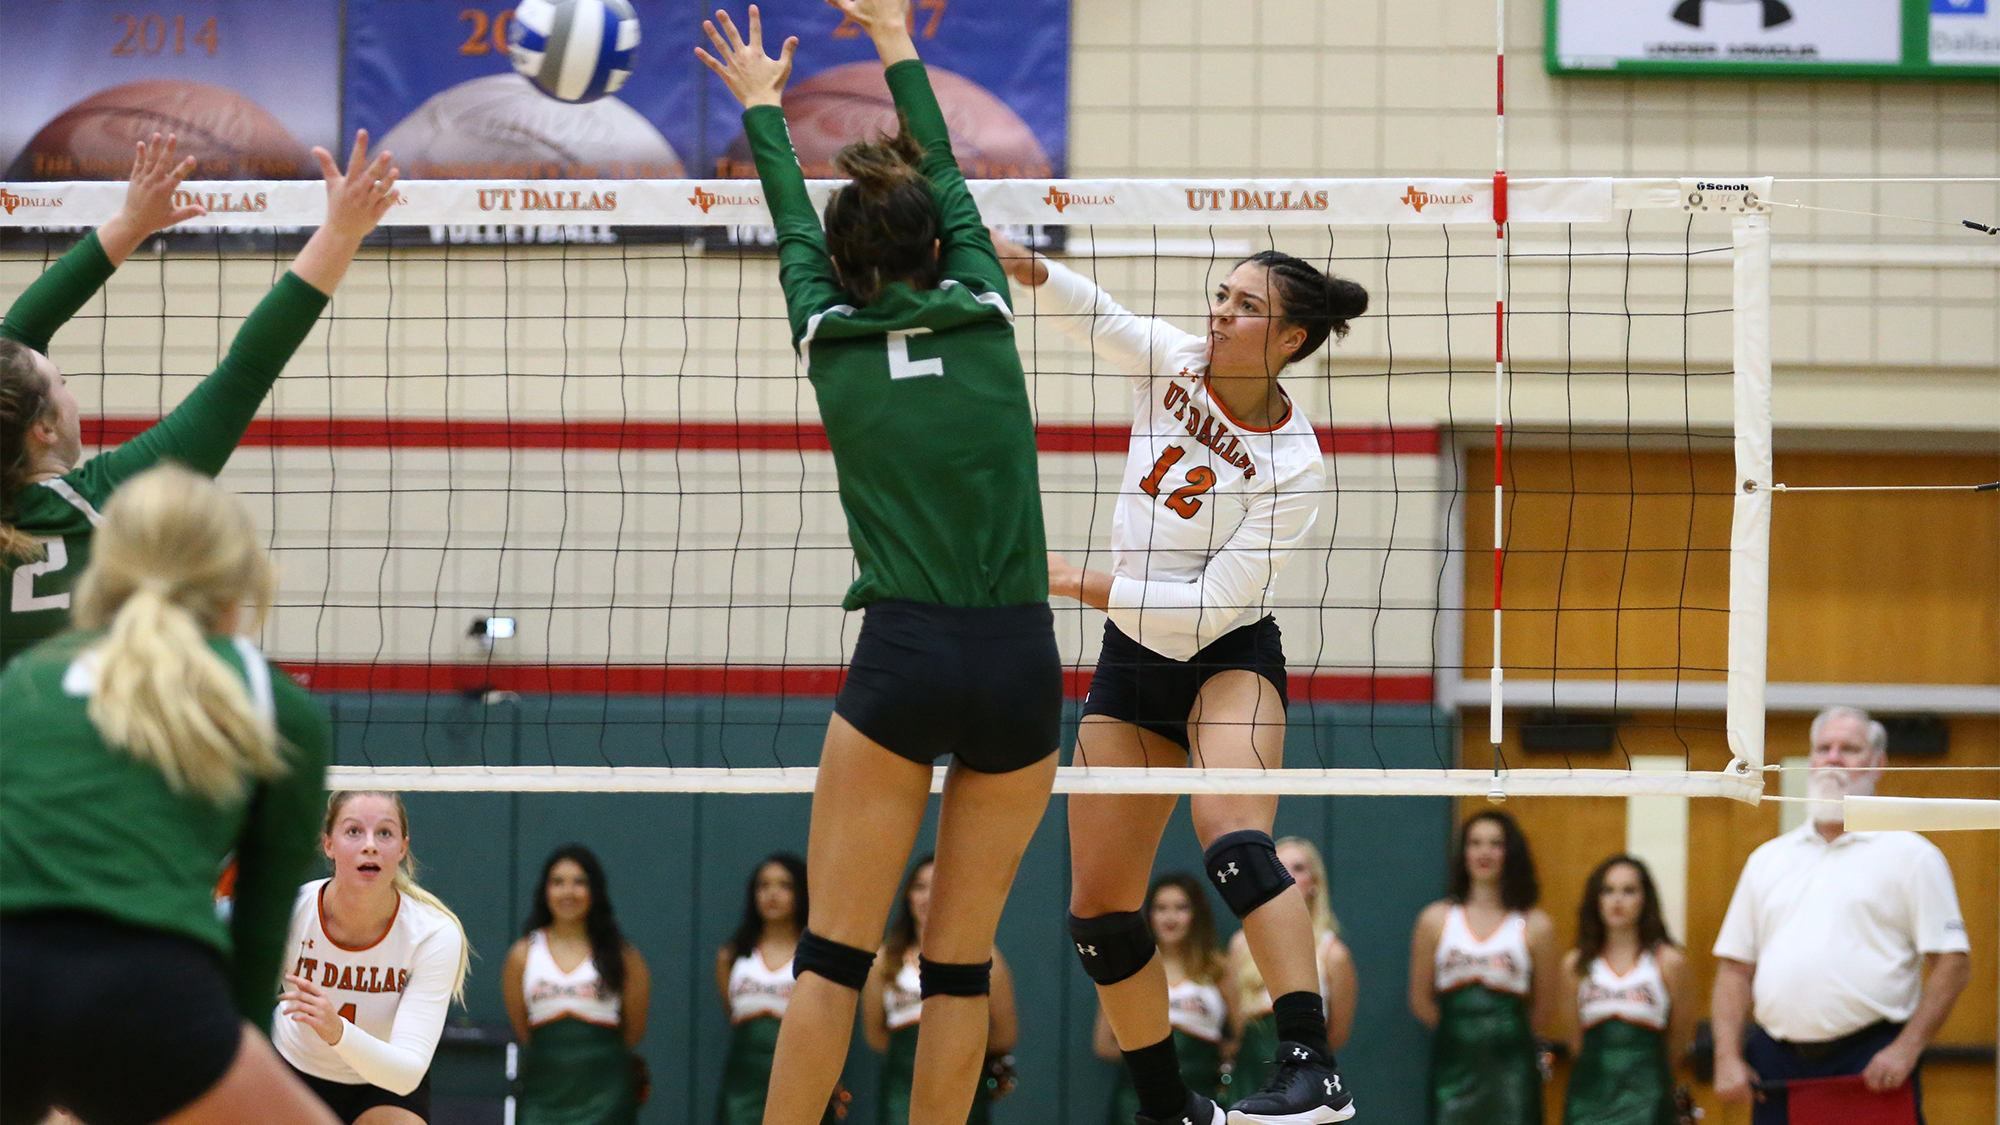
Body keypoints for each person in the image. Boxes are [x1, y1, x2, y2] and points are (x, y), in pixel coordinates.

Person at [696, 4, 1061, 1123]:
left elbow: (791, 222)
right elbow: (944, 165)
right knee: (957, 962)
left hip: (903, 653)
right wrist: (896, 37)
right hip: (1016, 661)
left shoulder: (826, 336)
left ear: (846, 262)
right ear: (936, 243)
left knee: (834, 956)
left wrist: (761, 106)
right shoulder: (988, 312)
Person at [990, 221, 1367, 1125]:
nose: (1221, 312)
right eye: (1223, 294)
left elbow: (1205, 609)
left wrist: (1076, 579)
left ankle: (1311, 1069)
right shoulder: (1176, 360)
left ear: (1291, 340)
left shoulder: (1295, 466)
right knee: (1098, 912)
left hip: (1226, 655)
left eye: (1246, 306)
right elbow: (1099, 316)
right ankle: (1169, 1107)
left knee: (1235, 840)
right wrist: (1030, 266)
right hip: (1130, 663)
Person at [0, 464, 337, 1125]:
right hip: (149, 992)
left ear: (104, 566)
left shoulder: (23, 679)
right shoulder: (275, 705)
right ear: (238, 576)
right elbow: (259, 934)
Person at [1, 130, 398, 667]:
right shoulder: (106, 503)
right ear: (43, 428)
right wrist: (342, 231)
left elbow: (17, 339)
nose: (73, 397)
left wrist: (131, 224)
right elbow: (247, 370)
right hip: (107, 743)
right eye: (63, 385)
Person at [1710, 706, 1970, 1125]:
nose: (1832, 758)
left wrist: (1907, 1048)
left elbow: (1953, 964)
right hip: (1775, 1063)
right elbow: (1734, 970)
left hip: (1869, 1062)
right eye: (1823, 748)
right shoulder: (1768, 859)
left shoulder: (1911, 854)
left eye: (1849, 749)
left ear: (1878, 764)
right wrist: (1727, 1057)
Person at [274, 791, 471, 1124]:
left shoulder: (433, 932)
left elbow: (406, 1074)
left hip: (383, 1077)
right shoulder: (290, 912)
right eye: (353, 831)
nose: (370, 845)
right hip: (295, 1068)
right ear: (328, 844)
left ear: (402, 848)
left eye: (384, 832)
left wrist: (336, 1030)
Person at [1408, 809, 1559, 1125]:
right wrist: (1461, 1032)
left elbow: (1545, 1008)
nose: (1484, 852)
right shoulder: (1435, 919)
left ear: (1510, 852)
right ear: (1463, 852)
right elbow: (1419, 1000)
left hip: (1512, 1069)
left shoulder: (1535, 925)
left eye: (1495, 844)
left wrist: (1504, 1033)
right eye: (1475, 843)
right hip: (1453, 1065)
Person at [864, 856, 1019, 1125]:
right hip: (901, 1092)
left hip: (962, 1089)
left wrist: (958, 1053)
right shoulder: (883, 960)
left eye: (937, 886)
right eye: (919, 887)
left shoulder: (984, 955)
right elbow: (876, 1036)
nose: (927, 897)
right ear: (907, 896)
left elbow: (1005, 1034)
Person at [503, 845, 652, 1125]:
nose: (567, 892)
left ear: (594, 890)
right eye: (558, 882)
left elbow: (634, 1032)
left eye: (579, 882)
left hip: (608, 1097)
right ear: (545, 890)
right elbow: (523, 1030)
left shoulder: (624, 955)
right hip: (542, 1095)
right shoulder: (522, 954)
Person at [715, 853, 846, 1125]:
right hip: (742, 1083)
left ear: (801, 892)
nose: (772, 894)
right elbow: (732, 1012)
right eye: (763, 886)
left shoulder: (818, 958)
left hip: (802, 1078)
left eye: (784, 885)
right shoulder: (731, 956)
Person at [1223, 839, 1356, 1105]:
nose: (1288, 876)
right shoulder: (1240, 944)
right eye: (1279, 867)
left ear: (1315, 883)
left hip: (1304, 1077)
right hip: (1249, 1074)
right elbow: (1237, 1024)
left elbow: (1338, 1033)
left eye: (1298, 868)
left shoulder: (1334, 954)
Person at [1561, 855, 1692, 1125]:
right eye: (1608, 891)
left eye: (1628, 891)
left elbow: (1680, 1039)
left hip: (1649, 1097)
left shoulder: (1668, 962)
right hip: (1588, 1097)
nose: (1617, 900)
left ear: (1645, 899)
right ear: (1596, 900)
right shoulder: (1576, 965)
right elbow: (1574, 1042)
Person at [1098, 874, 1235, 1125]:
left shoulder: (1218, 968)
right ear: (1148, 915)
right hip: (1138, 1100)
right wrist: (1155, 1061)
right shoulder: (1128, 969)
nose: (1170, 918)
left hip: (1200, 1095)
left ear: (1197, 914)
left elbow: (1237, 1036)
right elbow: (1104, 1044)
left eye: (1181, 908)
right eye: (1161, 908)